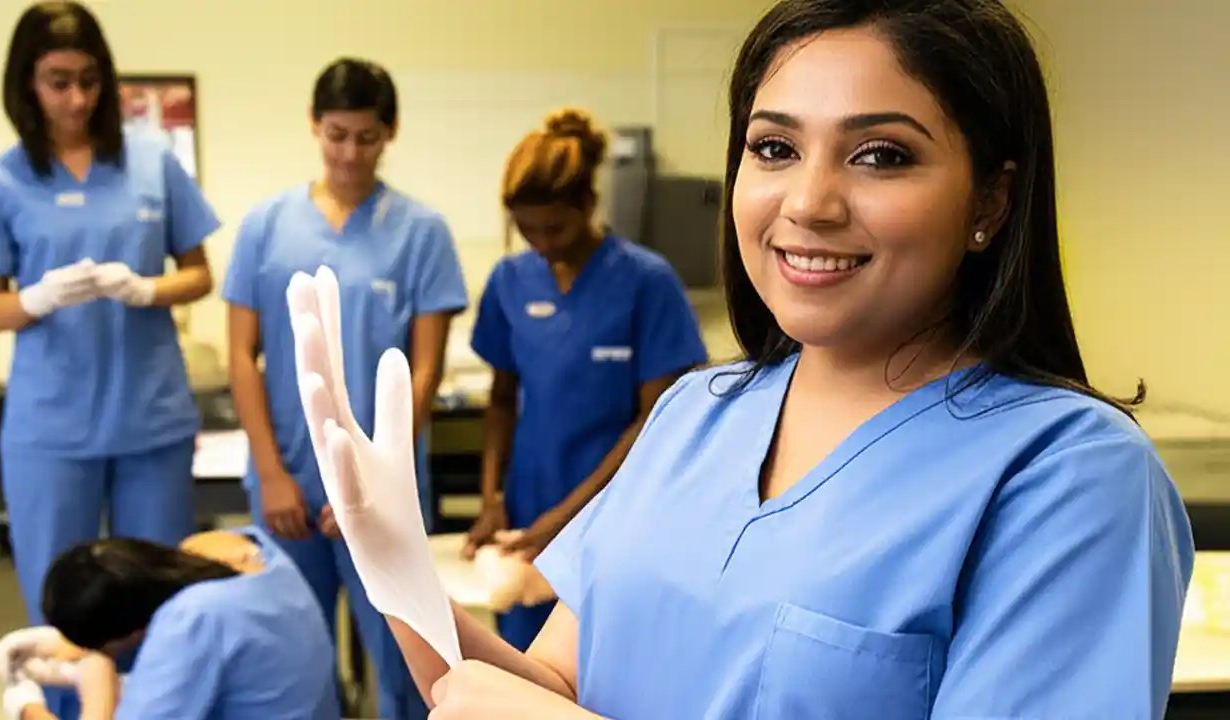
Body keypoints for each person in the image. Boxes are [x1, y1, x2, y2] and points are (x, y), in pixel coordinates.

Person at [293, 1, 1196, 718]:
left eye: (881, 155)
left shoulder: (1070, 479)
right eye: (774, 147)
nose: (808, 201)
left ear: (991, 200)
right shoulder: (696, 415)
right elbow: (551, 689)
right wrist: (399, 573)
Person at [0, 3, 218, 715]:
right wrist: (36, 299)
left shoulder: (151, 163)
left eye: (90, 81)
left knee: (161, 602)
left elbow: (199, 273)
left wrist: (145, 287)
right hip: (51, 430)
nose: (76, 98)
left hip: (149, 419)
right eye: (57, 81)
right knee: (62, 609)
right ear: (26, 84)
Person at [223, 58, 467, 720]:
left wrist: (371, 482)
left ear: (390, 132)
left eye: (365, 136)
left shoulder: (421, 233)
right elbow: (242, 357)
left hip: (380, 484)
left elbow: (425, 371)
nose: (349, 153)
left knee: (404, 663)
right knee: (290, 657)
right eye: (336, 135)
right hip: (287, 483)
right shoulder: (265, 227)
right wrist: (272, 473)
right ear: (313, 125)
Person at [463, 108, 707, 651]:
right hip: (531, 508)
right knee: (526, 666)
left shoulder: (646, 281)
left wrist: (567, 517)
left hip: (617, 510)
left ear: (589, 205)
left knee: (601, 669)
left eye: (555, 227)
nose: (542, 242)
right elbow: (502, 399)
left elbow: (656, 418)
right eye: (526, 229)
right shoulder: (510, 280)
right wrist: (491, 499)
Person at [0, 527, 340, 720]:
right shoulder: (231, 549)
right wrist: (64, 652)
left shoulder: (191, 621)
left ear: (130, 632)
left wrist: (27, 706)